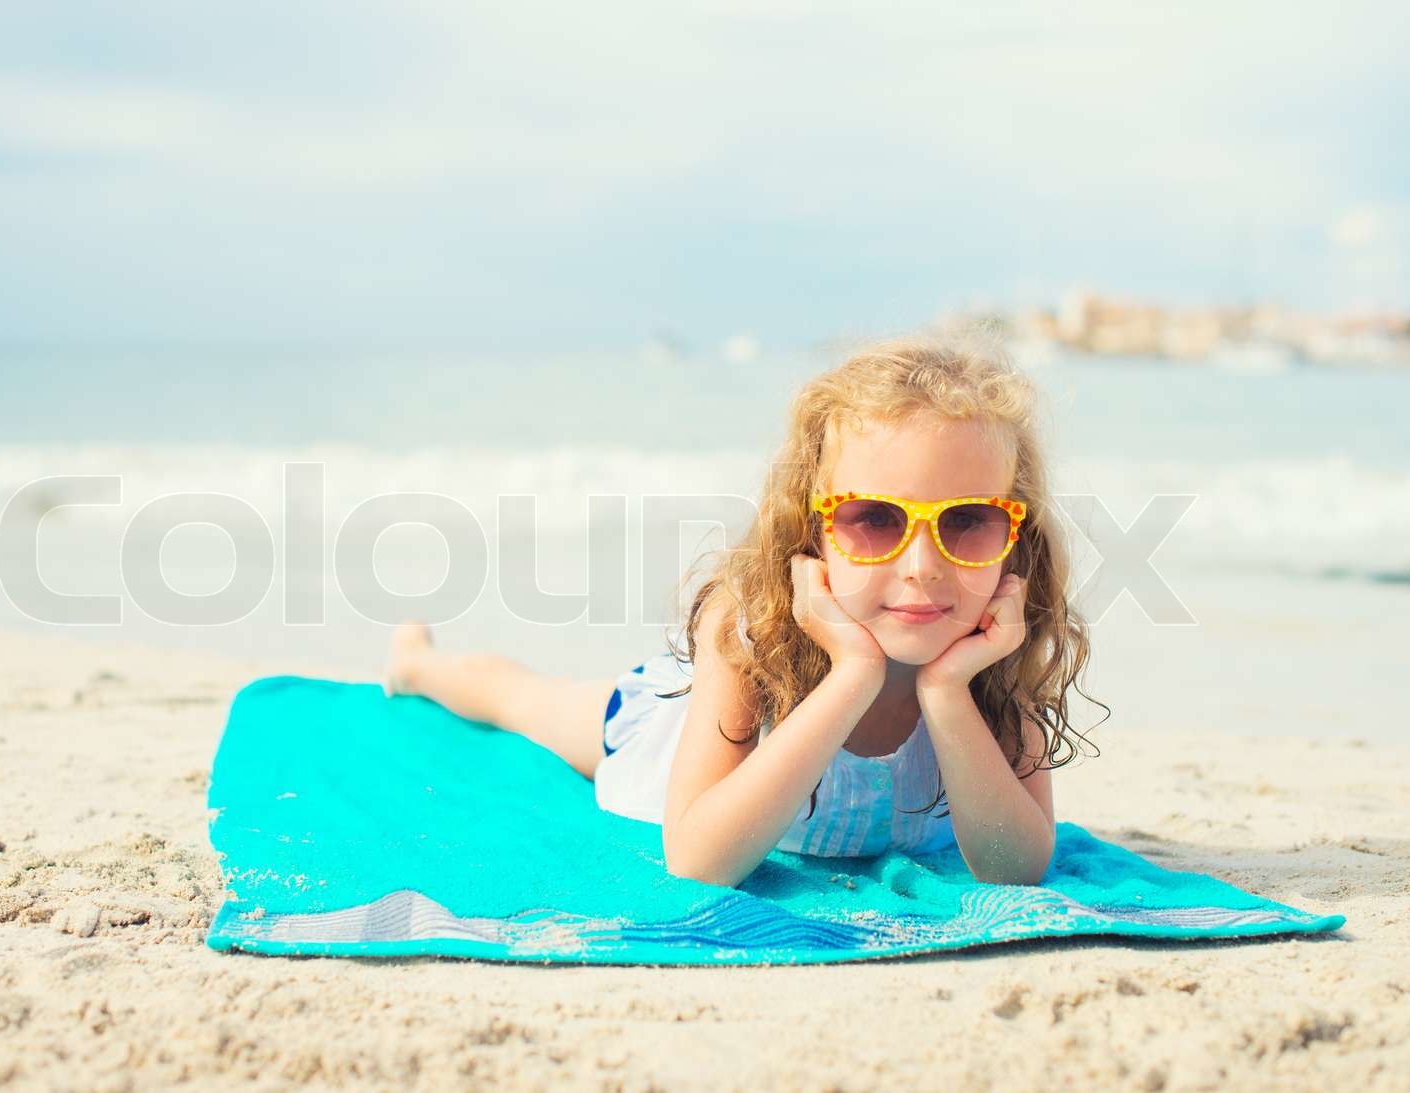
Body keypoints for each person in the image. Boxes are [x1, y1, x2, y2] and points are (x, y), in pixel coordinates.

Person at [383, 335, 1102, 889]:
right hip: (662, 736)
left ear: (1016, 539)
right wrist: (852, 675)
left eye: (970, 519)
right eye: (874, 518)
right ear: (811, 529)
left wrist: (946, 694)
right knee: (523, 702)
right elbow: (698, 860)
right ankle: (418, 661)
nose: (922, 565)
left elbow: (1015, 865)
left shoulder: (992, 650)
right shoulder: (746, 630)